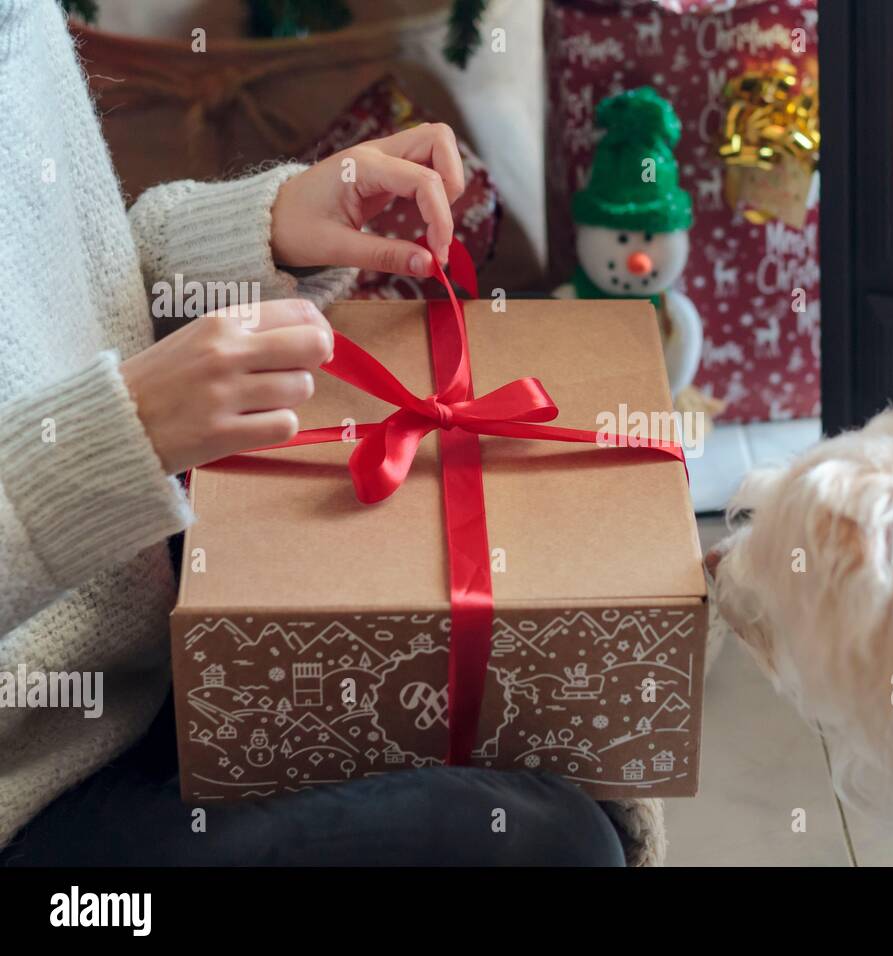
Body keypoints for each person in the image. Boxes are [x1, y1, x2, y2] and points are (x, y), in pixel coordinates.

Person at [0, 0, 624, 866]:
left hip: (159, 646)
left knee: (557, 717)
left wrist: (270, 230)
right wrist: (110, 438)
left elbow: (74, 289)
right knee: (551, 843)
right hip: (34, 797)